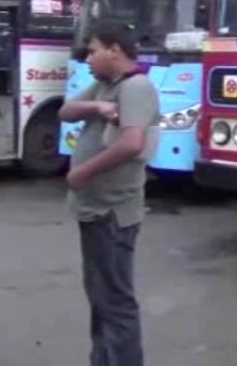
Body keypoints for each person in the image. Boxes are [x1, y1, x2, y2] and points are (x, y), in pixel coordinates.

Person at [58, 20, 160, 366]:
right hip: (95, 209)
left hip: (113, 211)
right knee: (100, 298)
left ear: (115, 50)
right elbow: (65, 111)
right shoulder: (105, 85)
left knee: (115, 302)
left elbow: (131, 144)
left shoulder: (135, 87)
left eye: (93, 51)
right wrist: (97, 107)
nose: (88, 59)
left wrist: (82, 172)